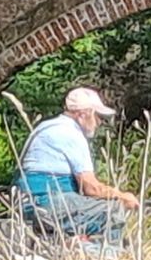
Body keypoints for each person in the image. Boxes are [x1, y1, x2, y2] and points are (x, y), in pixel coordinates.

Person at [13, 87, 140, 246]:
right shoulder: (71, 134)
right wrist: (122, 197)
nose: (100, 122)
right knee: (112, 212)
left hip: (26, 202)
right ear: (82, 114)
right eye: (98, 116)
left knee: (91, 210)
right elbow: (91, 188)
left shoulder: (45, 127)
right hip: (48, 201)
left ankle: (77, 245)